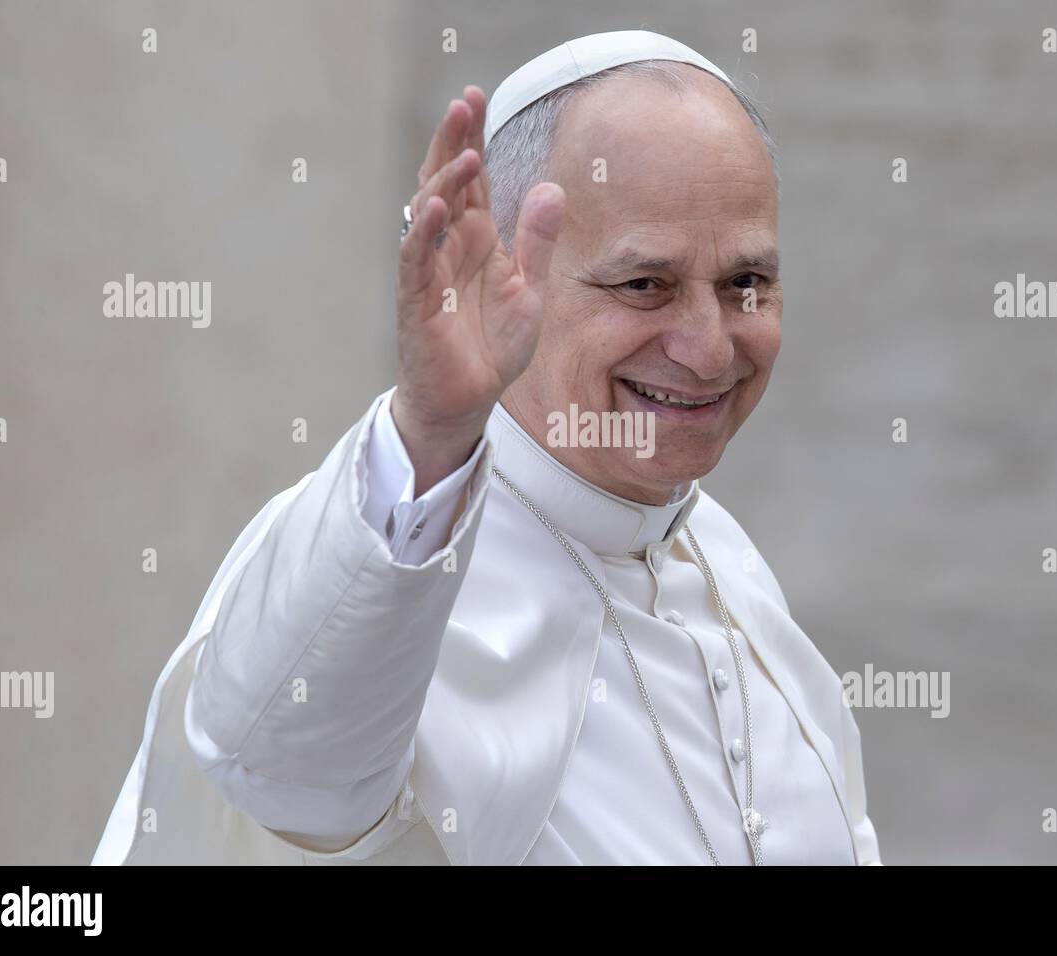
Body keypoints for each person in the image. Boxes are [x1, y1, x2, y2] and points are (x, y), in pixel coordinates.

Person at [93, 29, 881, 866]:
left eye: (744, 285)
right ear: (503, 275)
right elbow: (278, 774)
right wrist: (431, 431)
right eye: (644, 284)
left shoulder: (731, 570)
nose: (711, 347)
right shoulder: (383, 556)